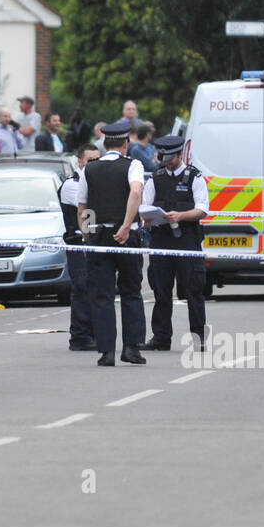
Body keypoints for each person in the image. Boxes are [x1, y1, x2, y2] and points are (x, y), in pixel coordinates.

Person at [77, 120, 147, 366]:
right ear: (126, 144)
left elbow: (83, 207)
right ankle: (131, 348)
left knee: (102, 296)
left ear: (105, 144)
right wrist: (127, 226)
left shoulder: (90, 169)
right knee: (131, 292)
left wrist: (87, 237)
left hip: (99, 237)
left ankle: (106, 351)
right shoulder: (133, 165)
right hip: (127, 237)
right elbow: (136, 192)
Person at [141, 135, 208, 352]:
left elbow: (202, 209)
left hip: (187, 238)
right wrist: (150, 218)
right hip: (161, 240)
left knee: (193, 290)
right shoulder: (155, 178)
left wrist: (181, 215)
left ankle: (199, 338)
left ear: (180, 155)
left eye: (170, 158)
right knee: (161, 290)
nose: (166, 162)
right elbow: (145, 207)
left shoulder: (194, 177)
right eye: (163, 158)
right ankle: (161, 338)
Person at [59, 144, 99, 350]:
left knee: (96, 288)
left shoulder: (95, 181)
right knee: (82, 288)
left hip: (95, 242)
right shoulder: (72, 184)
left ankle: (93, 333)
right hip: (78, 243)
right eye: (90, 160)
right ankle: (80, 337)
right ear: (80, 162)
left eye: (97, 160)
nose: (94, 165)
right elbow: (89, 206)